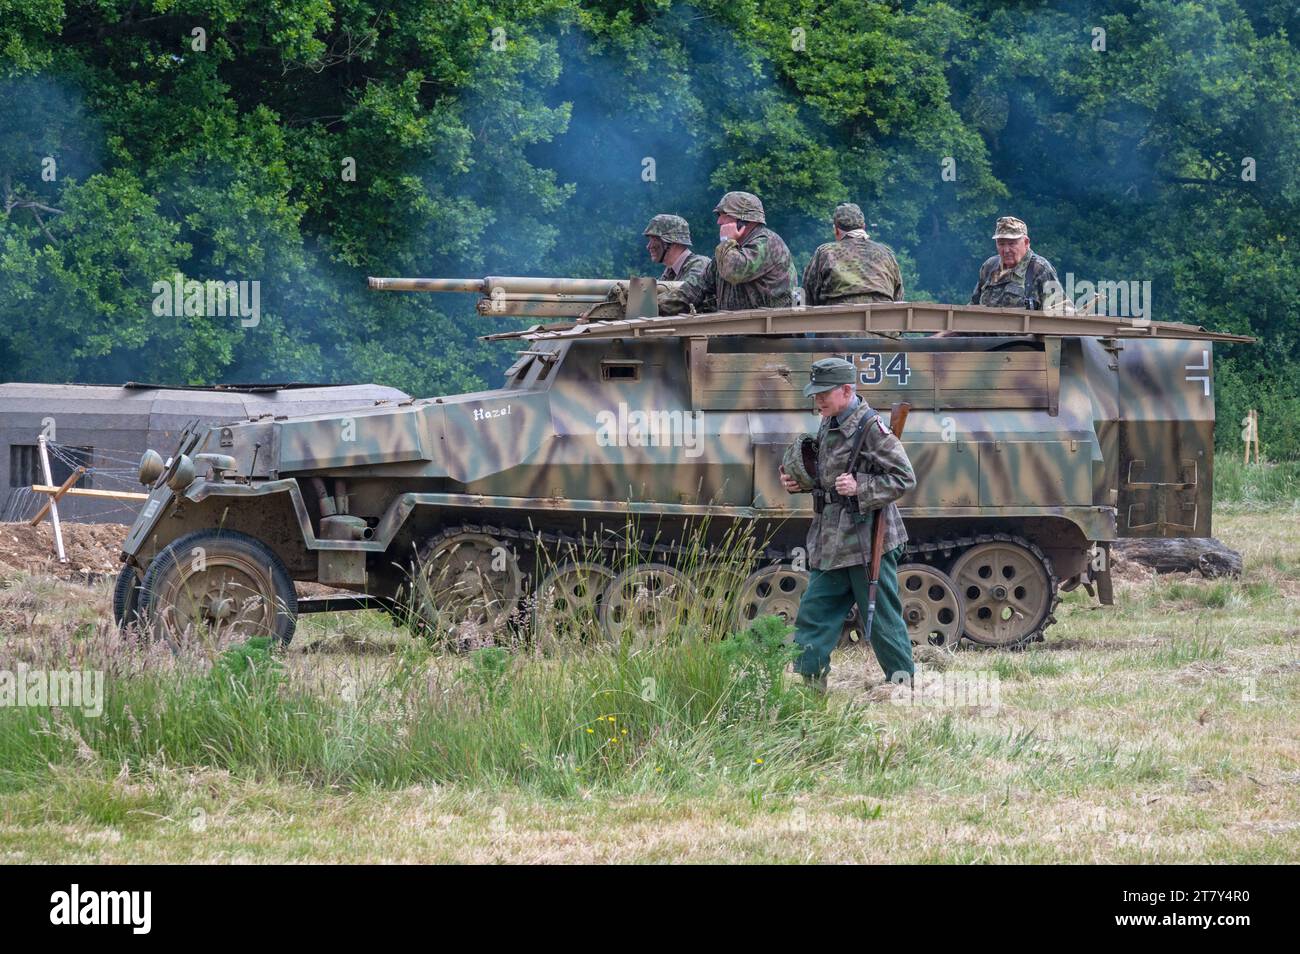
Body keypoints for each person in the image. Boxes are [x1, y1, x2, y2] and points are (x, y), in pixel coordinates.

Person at [778, 358, 916, 692]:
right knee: (814, 614)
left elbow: (904, 478)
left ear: (846, 390)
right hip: (832, 540)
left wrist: (861, 486)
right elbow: (831, 474)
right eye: (816, 394)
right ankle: (810, 688)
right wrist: (805, 482)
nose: (819, 400)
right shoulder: (830, 421)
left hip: (868, 539)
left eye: (825, 393)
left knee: (882, 620)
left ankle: (901, 685)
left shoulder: (871, 428)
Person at [658, 191, 796, 315]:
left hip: (773, 337)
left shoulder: (768, 243)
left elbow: (734, 272)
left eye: (724, 215)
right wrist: (653, 306)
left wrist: (726, 240)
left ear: (743, 220)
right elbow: (694, 289)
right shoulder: (729, 250)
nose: (719, 222)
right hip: (738, 335)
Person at [801, 203, 904, 306]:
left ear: (836, 230)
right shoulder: (887, 253)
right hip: (885, 318)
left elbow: (806, 295)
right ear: (864, 227)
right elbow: (898, 298)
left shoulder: (825, 253)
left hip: (836, 319)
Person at [969, 216, 1059, 309]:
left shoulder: (1040, 269)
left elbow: (1058, 313)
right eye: (1001, 244)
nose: (1006, 250)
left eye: (1012, 243)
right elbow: (973, 307)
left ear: (1026, 242)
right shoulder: (989, 266)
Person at [642, 214, 710, 284]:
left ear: (672, 242)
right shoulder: (670, 273)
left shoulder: (700, 265)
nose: (649, 246)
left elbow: (684, 293)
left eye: (655, 240)